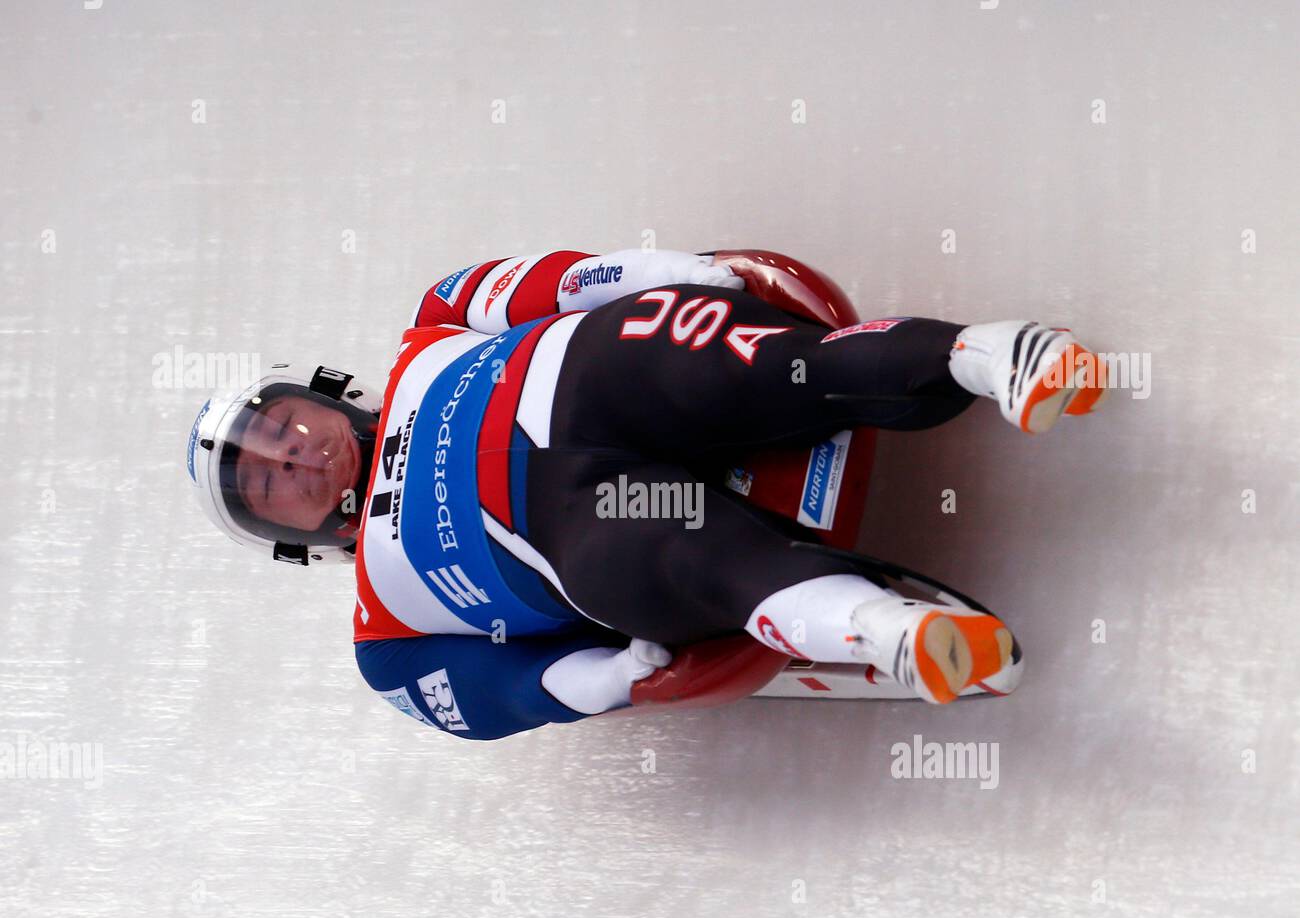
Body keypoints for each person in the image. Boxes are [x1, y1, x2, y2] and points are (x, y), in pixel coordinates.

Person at [186, 248, 1105, 738]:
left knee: (778, 370)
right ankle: (888, 634)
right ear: (289, 536)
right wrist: (617, 680)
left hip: (591, 373)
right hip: (579, 517)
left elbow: (553, 283)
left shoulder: (433, 319)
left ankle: (990, 356)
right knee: (693, 553)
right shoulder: (384, 641)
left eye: (281, 430)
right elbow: (513, 693)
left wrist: (657, 276)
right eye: (271, 482)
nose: (297, 459)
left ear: (314, 392)